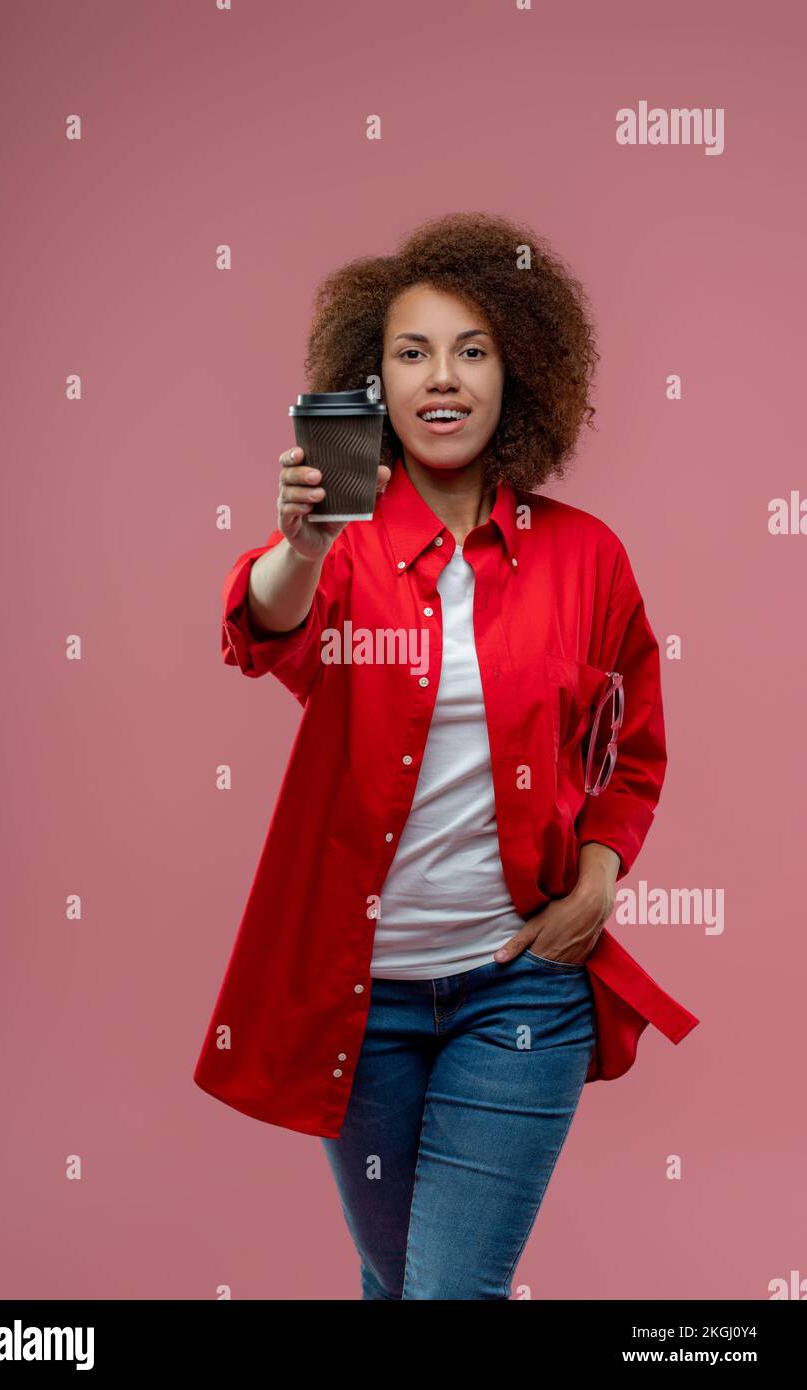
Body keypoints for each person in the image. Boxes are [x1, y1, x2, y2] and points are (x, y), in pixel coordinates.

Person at [193, 211, 699, 1300]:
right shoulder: (338, 547)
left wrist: (602, 877)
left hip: (519, 996)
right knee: (393, 1278)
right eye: (412, 353)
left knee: (448, 1291)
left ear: (519, 375)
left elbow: (637, 750)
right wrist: (302, 542)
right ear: (370, 384)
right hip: (361, 1005)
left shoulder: (587, 556)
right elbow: (263, 630)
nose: (444, 378)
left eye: (473, 351)